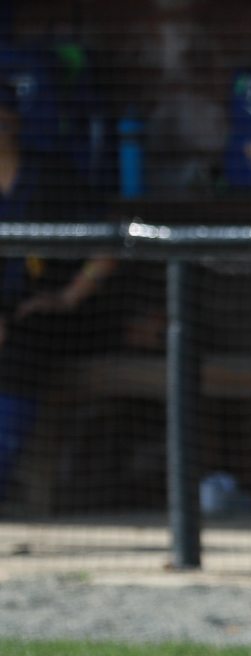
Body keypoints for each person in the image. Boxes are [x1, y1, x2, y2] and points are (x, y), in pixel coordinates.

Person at [0, 82, 119, 509]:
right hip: (6, 314)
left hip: (60, 314)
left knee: (21, 342)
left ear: (12, 120)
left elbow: (109, 243)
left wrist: (68, 297)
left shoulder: (50, 176)